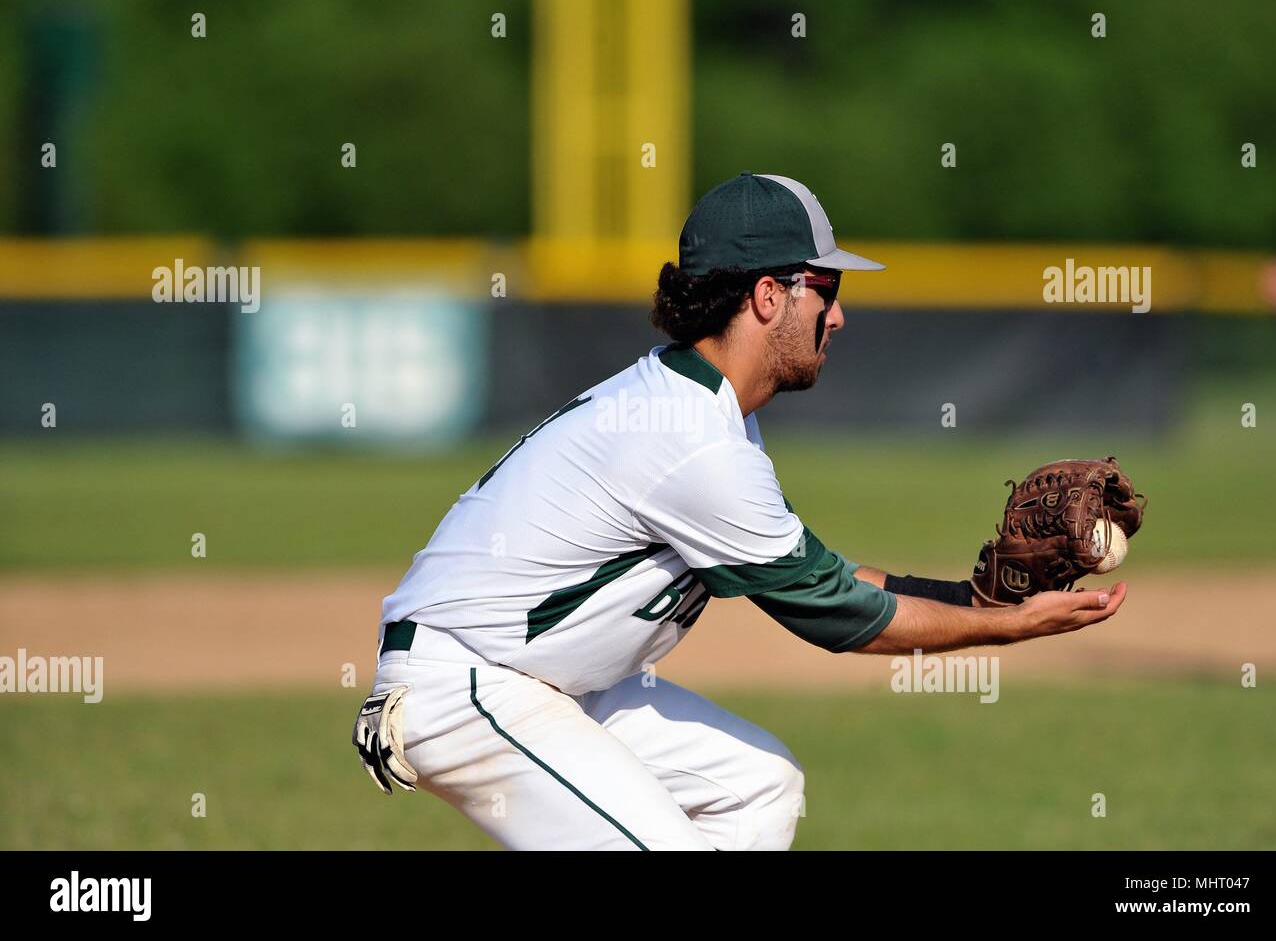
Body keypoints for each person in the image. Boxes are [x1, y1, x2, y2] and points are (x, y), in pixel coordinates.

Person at [352, 172, 1127, 850]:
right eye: (827, 290)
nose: (839, 316)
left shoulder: (707, 413)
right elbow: (836, 616)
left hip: (543, 678)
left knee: (759, 785)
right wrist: (1007, 625)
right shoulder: (691, 441)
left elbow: (820, 572)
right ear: (768, 295)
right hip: (465, 683)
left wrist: (975, 597)